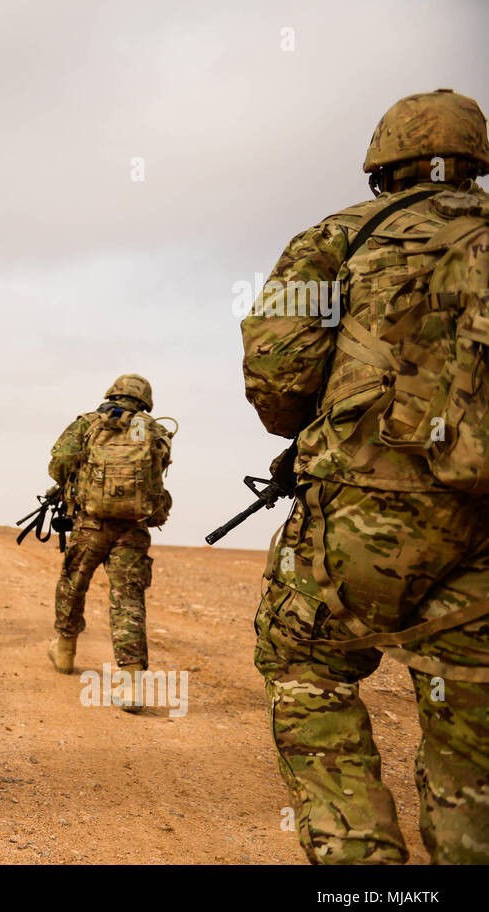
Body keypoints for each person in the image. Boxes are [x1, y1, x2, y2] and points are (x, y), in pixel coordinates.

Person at [242, 89, 489, 864]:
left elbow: (277, 378)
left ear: (384, 161)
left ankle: (364, 878)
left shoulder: (339, 238)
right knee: (471, 712)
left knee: (306, 664)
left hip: (359, 515)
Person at [46, 374, 173, 713]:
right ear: (145, 400)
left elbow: (58, 464)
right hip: (133, 528)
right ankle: (132, 685)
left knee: (73, 584)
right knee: (128, 599)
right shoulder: (153, 428)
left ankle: (65, 651)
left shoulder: (88, 423)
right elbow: (160, 472)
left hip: (90, 523)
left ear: (111, 393)